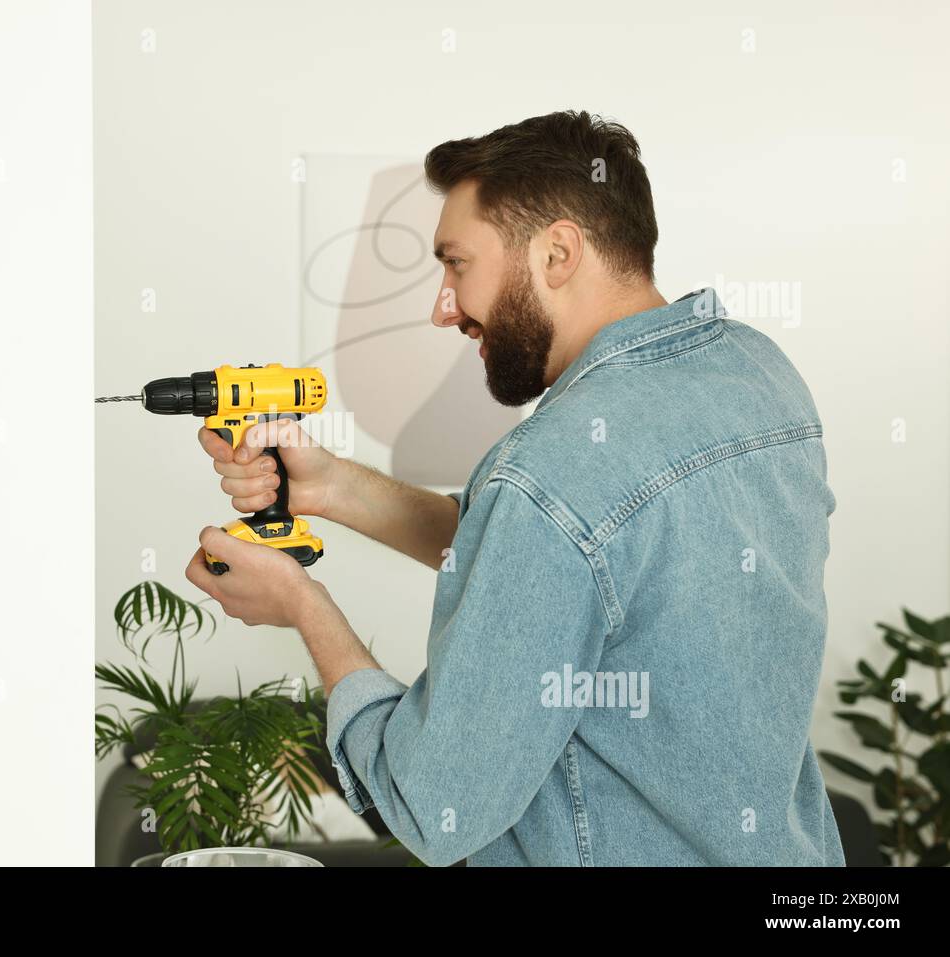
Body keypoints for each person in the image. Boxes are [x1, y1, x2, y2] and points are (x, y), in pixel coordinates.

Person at [184, 110, 843, 866]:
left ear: (557, 252)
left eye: (456, 263)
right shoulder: (759, 375)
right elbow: (574, 558)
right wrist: (329, 486)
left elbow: (434, 806)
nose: (442, 307)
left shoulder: (550, 471)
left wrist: (304, 603)